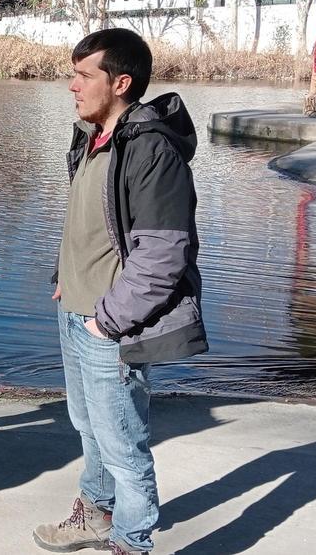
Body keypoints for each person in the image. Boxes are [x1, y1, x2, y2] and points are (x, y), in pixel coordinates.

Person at [32, 28, 208, 555]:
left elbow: (163, 253)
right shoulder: (95, 138)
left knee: (122, 444)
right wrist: (64, 279)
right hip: (77, 311)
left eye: (85, 75)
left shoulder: (150, 150)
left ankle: (131, 542)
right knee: (88, 427)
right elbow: (91, 224)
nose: (72, 86)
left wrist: (107, 319)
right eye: (73, 74)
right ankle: (95, 514)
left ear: (121, 82)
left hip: (111, 324)